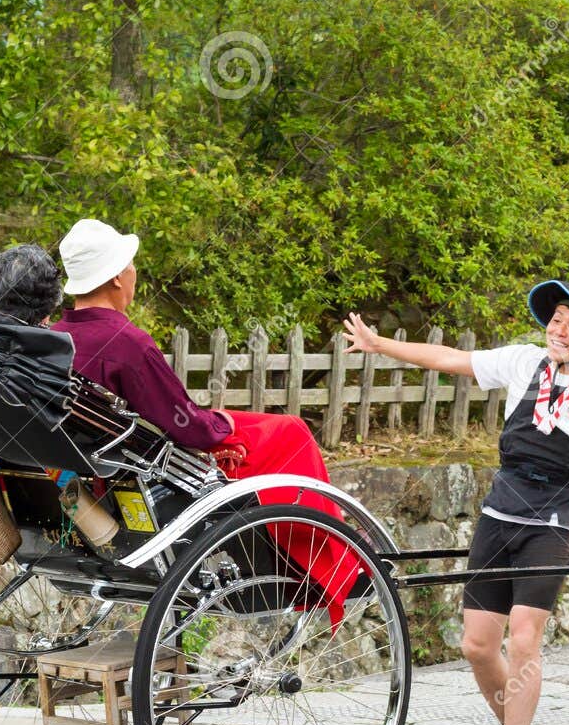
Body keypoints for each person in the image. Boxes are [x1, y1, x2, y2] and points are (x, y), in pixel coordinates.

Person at [343, 281, 569, 725]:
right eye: (557, 320)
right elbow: (451, 359)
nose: (559, 330)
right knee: (477, 646)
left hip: (552, 525)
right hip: (498, 515)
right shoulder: (526, 363)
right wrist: (382, 345)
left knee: (525, 639)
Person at [48, 219, 360, 609]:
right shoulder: (126, 342)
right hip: (143, 468)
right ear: (114, 278)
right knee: (290, 431)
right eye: (130, 266)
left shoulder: (54, 339)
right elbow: (189, 428)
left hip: (87, 463)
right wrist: (220, 426)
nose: (134, 274)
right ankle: (324, 561)